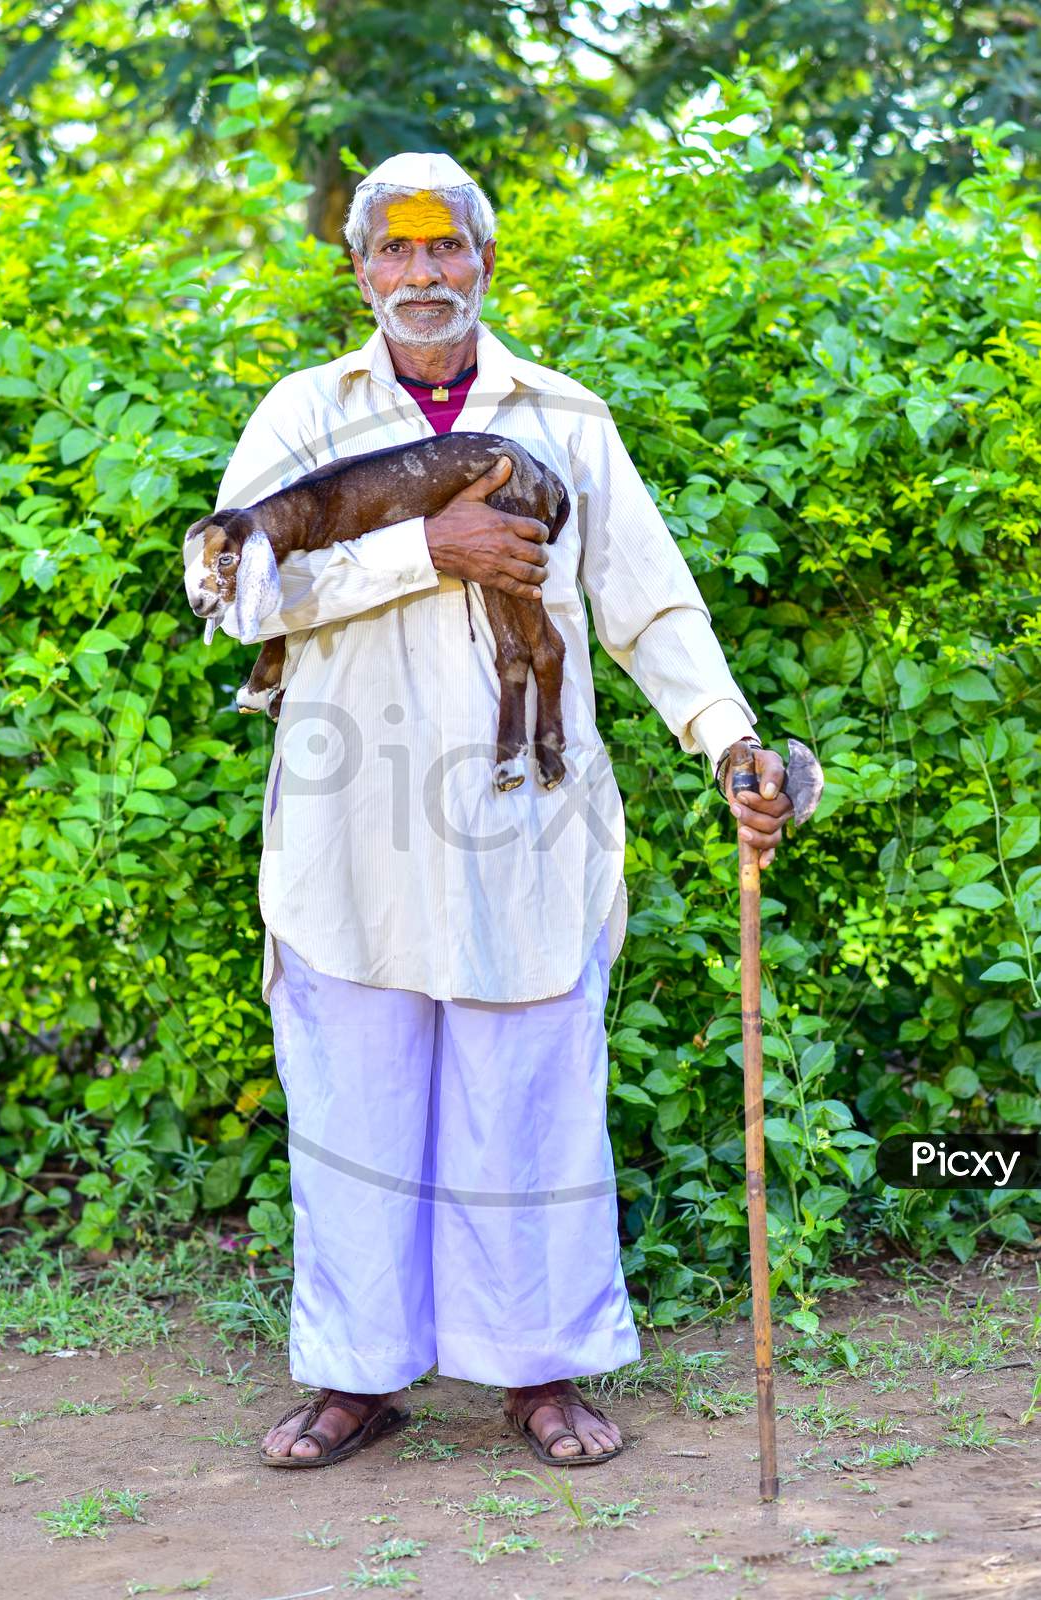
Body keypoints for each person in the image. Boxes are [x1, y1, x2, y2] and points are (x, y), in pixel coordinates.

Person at [199, 150, 792, 1469]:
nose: (422, 274)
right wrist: (427, 551)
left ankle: (538, 1376)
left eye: (445, 248)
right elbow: (234, 597)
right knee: (352, 1103)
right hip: (352, 830)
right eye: (395, 252)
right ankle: (357, 1377)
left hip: (527, 827)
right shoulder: (304, 416)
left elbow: (651, 605)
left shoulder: (566, 419)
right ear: (359, 270)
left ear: (484, 260)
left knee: (527, 1100)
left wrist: (732, 745)